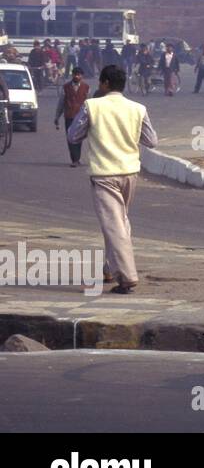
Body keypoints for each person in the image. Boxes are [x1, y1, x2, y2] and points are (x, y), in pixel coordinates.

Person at [65, 65, 159, 295]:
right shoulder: (138, 108)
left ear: (105, 83)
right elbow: (151, 140)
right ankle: (108, 269)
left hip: (104, 173)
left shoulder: (93, 106)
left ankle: (126, 277)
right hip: (129, 173)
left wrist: (95, 131)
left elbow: (73, 135)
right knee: (119, 221)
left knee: (114, 224)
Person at [54, 67, 91, 166]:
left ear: (82, 76)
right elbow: (61, 103)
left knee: (78, 138)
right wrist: (57, 117)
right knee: (70, 137)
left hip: (81, 117)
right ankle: (74, 159)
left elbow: (89, 103)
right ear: (72, 75)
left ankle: (77, 159)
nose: (76, 76)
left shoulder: (86, 87)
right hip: (69, 116)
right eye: (75, 74)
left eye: (78, 75)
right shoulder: (66, 87)